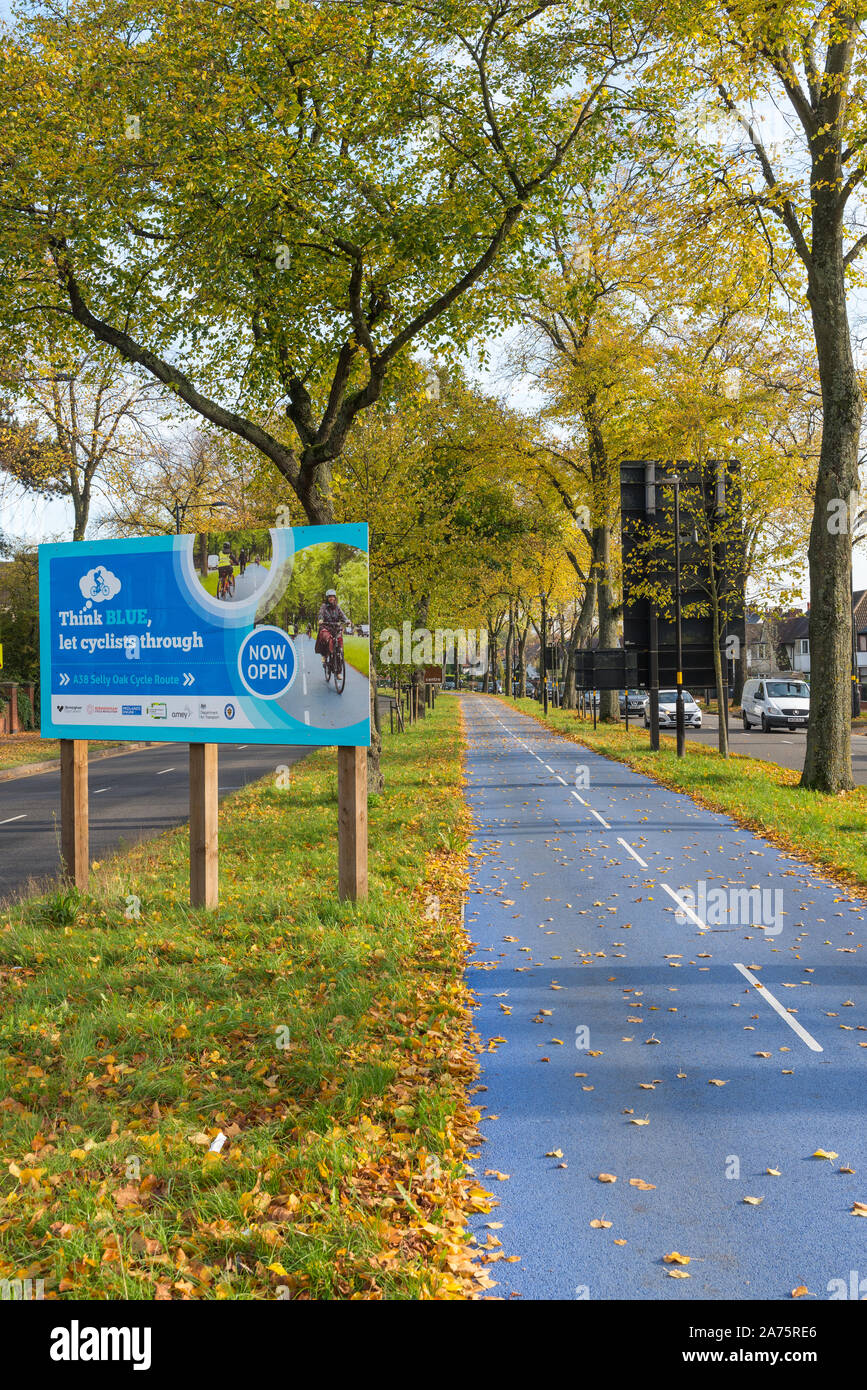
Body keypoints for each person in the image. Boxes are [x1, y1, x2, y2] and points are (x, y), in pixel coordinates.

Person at [315, 589, 349, 661]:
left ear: (335, 598)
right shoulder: (324, 606)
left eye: (333, 596)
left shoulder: (337, 607)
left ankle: (339, 653)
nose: (331, 598)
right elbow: (321, 613)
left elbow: (342, 615)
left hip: (336, 628)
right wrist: (321, 619)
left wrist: (347, 620)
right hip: (326, 627)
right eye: (329, 596)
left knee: (339, 639)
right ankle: (325, 654)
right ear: (327, 598)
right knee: (328, 639)